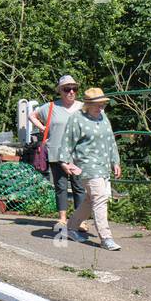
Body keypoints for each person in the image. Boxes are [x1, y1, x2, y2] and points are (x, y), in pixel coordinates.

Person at [60, 87, 123, 251]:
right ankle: (106, 238)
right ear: (87, 104)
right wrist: (65, 162)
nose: (100, 107)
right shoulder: (77, 118)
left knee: (91, 199)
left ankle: (70, 228)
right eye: (97, 104)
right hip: (87, 165)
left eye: (102, 104)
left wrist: (115, 161)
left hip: (103, 165)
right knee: (100, 198)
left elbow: (110, 140)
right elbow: (67, 141)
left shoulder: (103, 117)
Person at [29, 75, 85, 229]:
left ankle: (80, 220)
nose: (71, 92)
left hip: (77, 153)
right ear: (60, 91)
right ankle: (62, 218)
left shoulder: (83, 106)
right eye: (67, 89)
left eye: (74, 88)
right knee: (60, 185)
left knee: (78, 186)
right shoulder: (50, 107)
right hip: (56, 151)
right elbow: (32, 115)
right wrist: (43, 128)